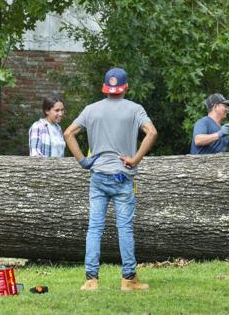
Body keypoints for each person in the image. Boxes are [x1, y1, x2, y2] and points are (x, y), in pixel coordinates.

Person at [63, 67, 157, 292]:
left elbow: (68, 133)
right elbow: (152, 132)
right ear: (126, 87)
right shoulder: (135, 109)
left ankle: (91, 280)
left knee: (94, 228)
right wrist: (134, 160)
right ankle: (128, 280)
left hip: (98, 176)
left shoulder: (91, 110)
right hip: (123, 176)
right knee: (124, 228)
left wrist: (83, 161)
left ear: (105, 87)